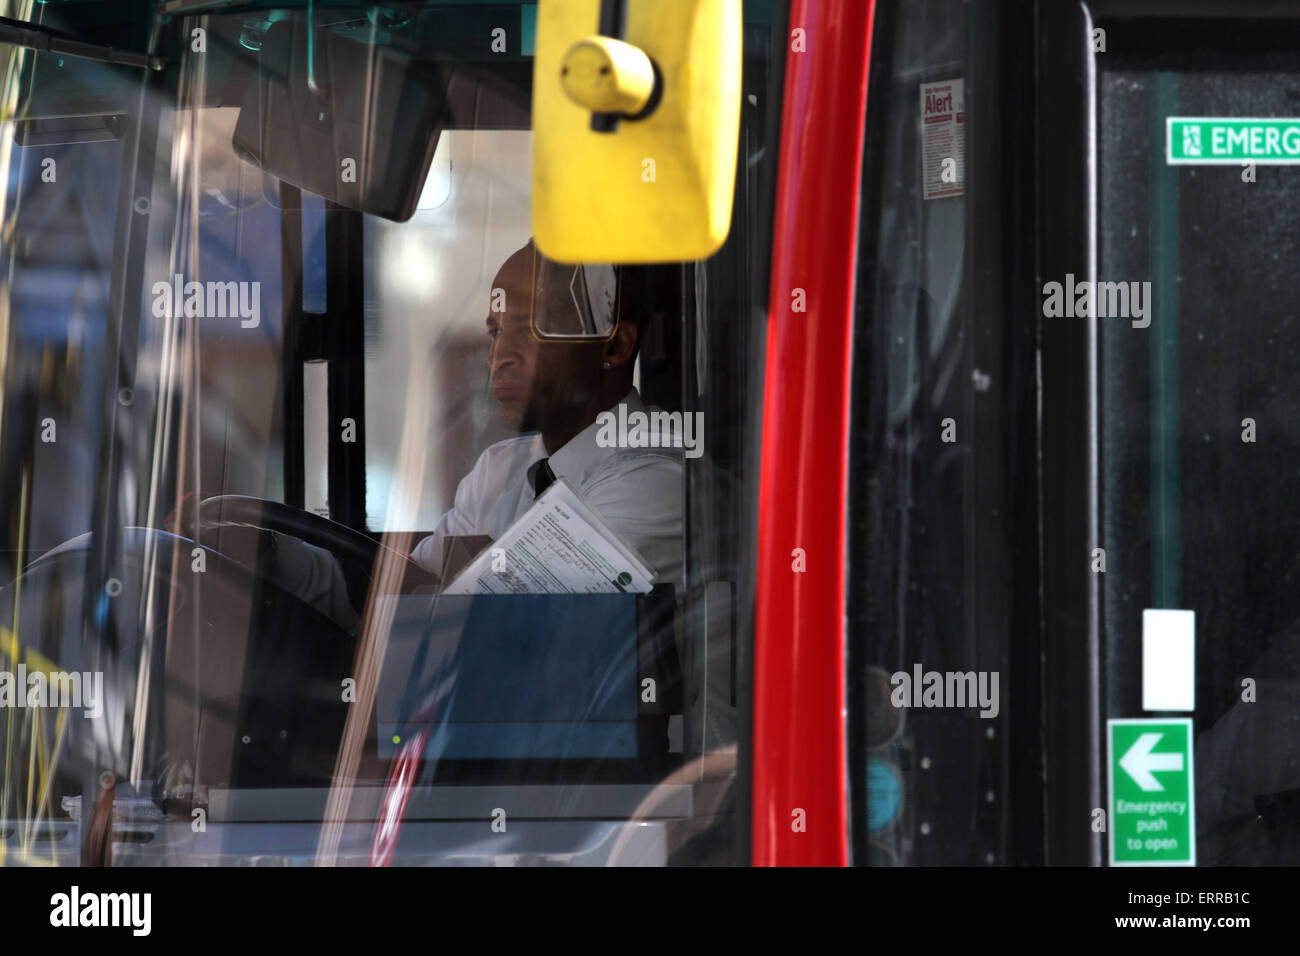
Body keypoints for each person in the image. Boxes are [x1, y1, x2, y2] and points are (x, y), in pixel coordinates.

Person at [409, 239, 684, 590]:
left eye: (530, 330)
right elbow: (413, 584)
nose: (497, 358)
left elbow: (501, 630)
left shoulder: (654, 483)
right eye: (495, 332)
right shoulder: (497, 471)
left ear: (614, 346)